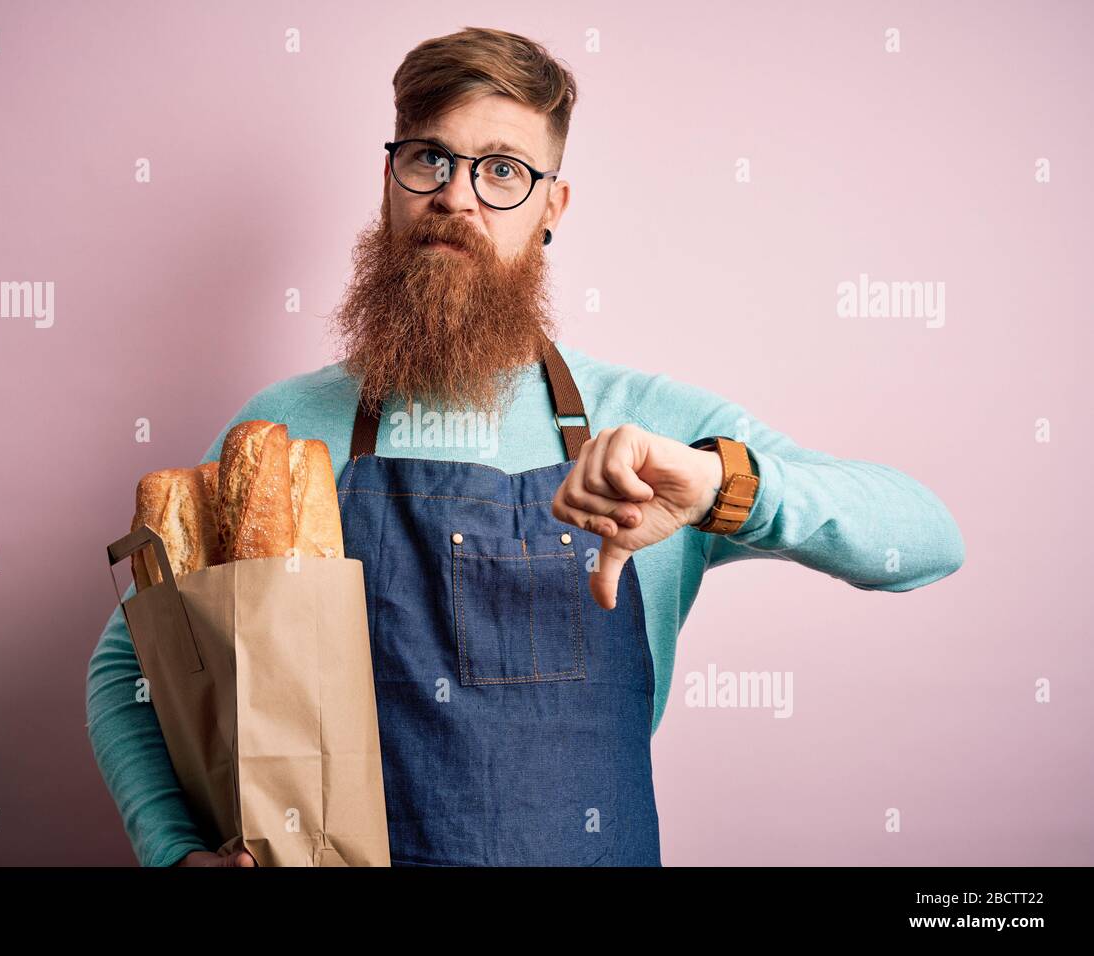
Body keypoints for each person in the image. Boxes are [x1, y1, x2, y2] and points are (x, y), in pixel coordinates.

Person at [86, 26, 964, 867]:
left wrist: (719, 485)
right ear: (389, 178)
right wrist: (173, 849)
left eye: (501, 169)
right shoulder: (283, 435)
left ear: (553, 204)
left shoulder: (646, 426)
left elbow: (926, 539)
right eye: (428, 156)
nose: (456, 196)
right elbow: (128, 666)